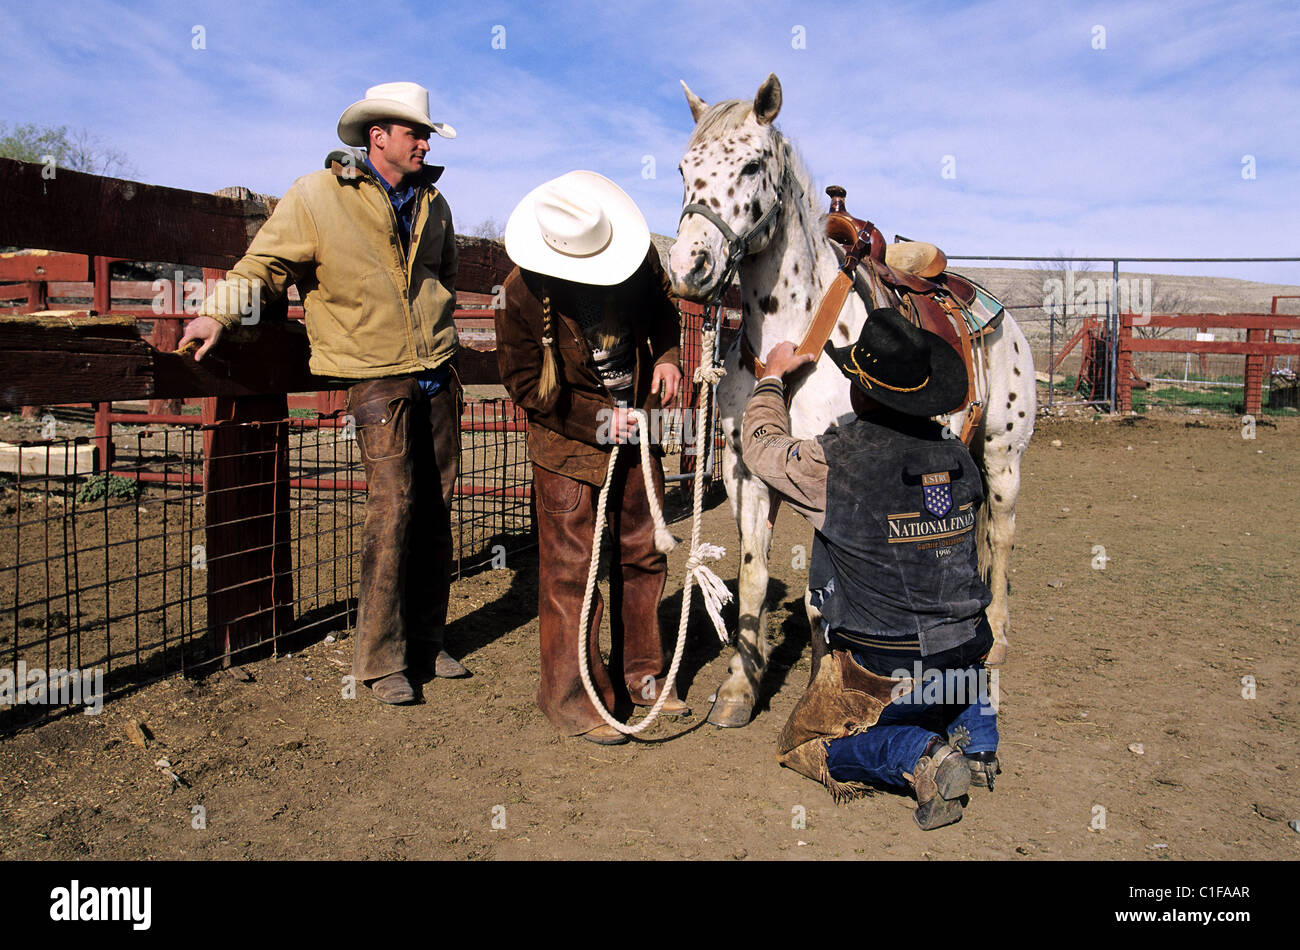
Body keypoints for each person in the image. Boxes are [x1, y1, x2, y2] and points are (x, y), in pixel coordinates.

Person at [179, 82, 470, 705]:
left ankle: (426, 638)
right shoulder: (316, 196)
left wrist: (441, 335)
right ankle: (379, 658)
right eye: (414, 132)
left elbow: (444, 277)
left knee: (438, 505)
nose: (424, 141)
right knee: (392, 508)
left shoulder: (435, 203)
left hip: (437, 373)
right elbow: (261, 267)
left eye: (425, 133)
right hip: (374, 371)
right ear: (378, 137)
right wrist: (216, 315)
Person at [740, 308, 1000, 829]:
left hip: (888, 668)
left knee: (805, 743)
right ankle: (978, 741)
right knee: (956, 647)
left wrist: (770, 377)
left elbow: (761, 447)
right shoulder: (959, 457)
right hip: (968, 648)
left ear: (860, 392)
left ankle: (920, 756)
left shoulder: (834, 462)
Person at [496, 170, 688, 745]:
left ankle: (643, 674)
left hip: (640, 432)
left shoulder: (637, 260)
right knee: (568, 571)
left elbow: (662, 313)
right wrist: (601, 420)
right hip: (569, 447)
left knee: (644, 552)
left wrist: (671, 357)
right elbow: (526, 384)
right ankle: (569, 696)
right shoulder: (520, 294)